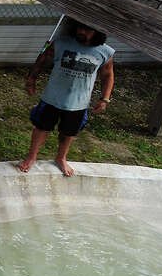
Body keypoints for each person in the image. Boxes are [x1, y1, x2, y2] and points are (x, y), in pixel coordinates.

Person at [17, 19, 114, 177]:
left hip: (79, 102)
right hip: (52, 97)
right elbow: (42, 60)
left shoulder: (105, 52)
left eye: (87, 30)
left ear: (98, 32)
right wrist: (31, 80)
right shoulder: (61, 43)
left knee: (69, 132)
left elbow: (108, 75)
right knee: (42, 127)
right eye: (80, 28)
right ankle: (31, 156)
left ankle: (61, 158)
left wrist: (105, 98)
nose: (81, 32)